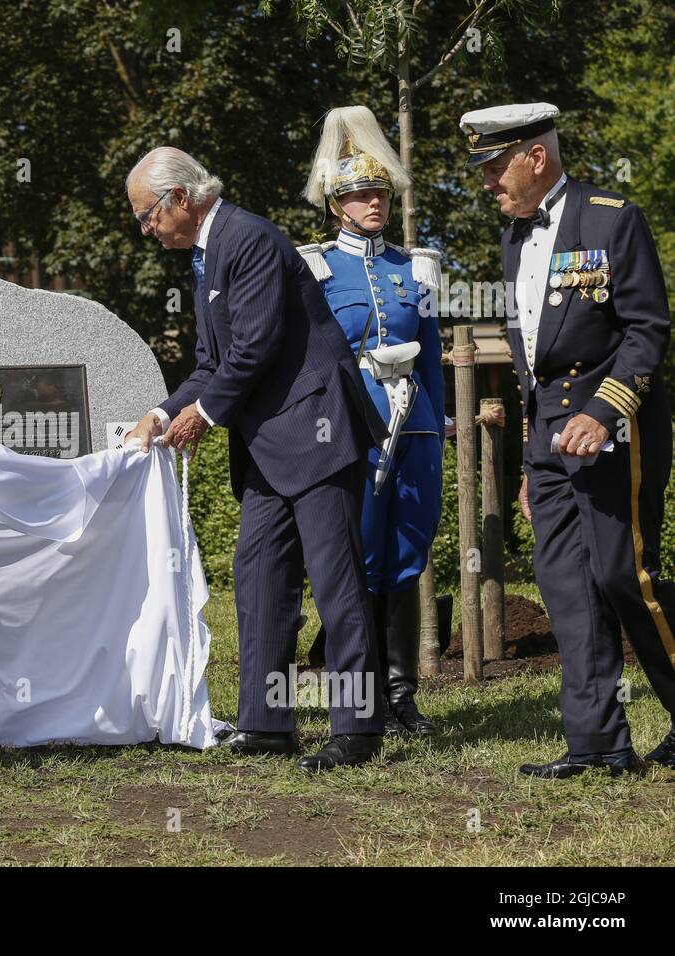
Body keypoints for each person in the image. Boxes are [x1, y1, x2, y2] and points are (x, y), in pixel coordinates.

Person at [124, 147, 388, 770]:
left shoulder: (249, 239)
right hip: (271, 442)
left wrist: (204, 415)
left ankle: (358, 728)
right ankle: (267, 723)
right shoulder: (207, 255)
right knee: (259, 577)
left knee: (335, 582)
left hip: (317, 429)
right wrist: (163, 413)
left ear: (180, 200)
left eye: (145, 215)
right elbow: (213, 362)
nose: (145, 228)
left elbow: (256, 346)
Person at [461, 101, 675, 776]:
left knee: (623, 576)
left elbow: (647, 331)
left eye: (496, 168)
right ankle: (599, 745)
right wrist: (535, 456)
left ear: (535, 156)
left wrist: (603, 412)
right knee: (566, 589)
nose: (488, 183)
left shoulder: (613, 218)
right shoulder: (513, 237)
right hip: (550, 443)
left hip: (616, 431)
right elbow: (534, 358)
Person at [298, 106, 444, 736]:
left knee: (406, 555)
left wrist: (434, 430)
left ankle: (402, 694)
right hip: (350, 430)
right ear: (337, 204)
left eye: (380, 190)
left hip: (413, 430)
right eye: (359, 193)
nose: (374, 202)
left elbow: (432, 358)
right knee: (354, 555)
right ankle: (358, 697)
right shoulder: (315, 266)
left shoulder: (420, 268)